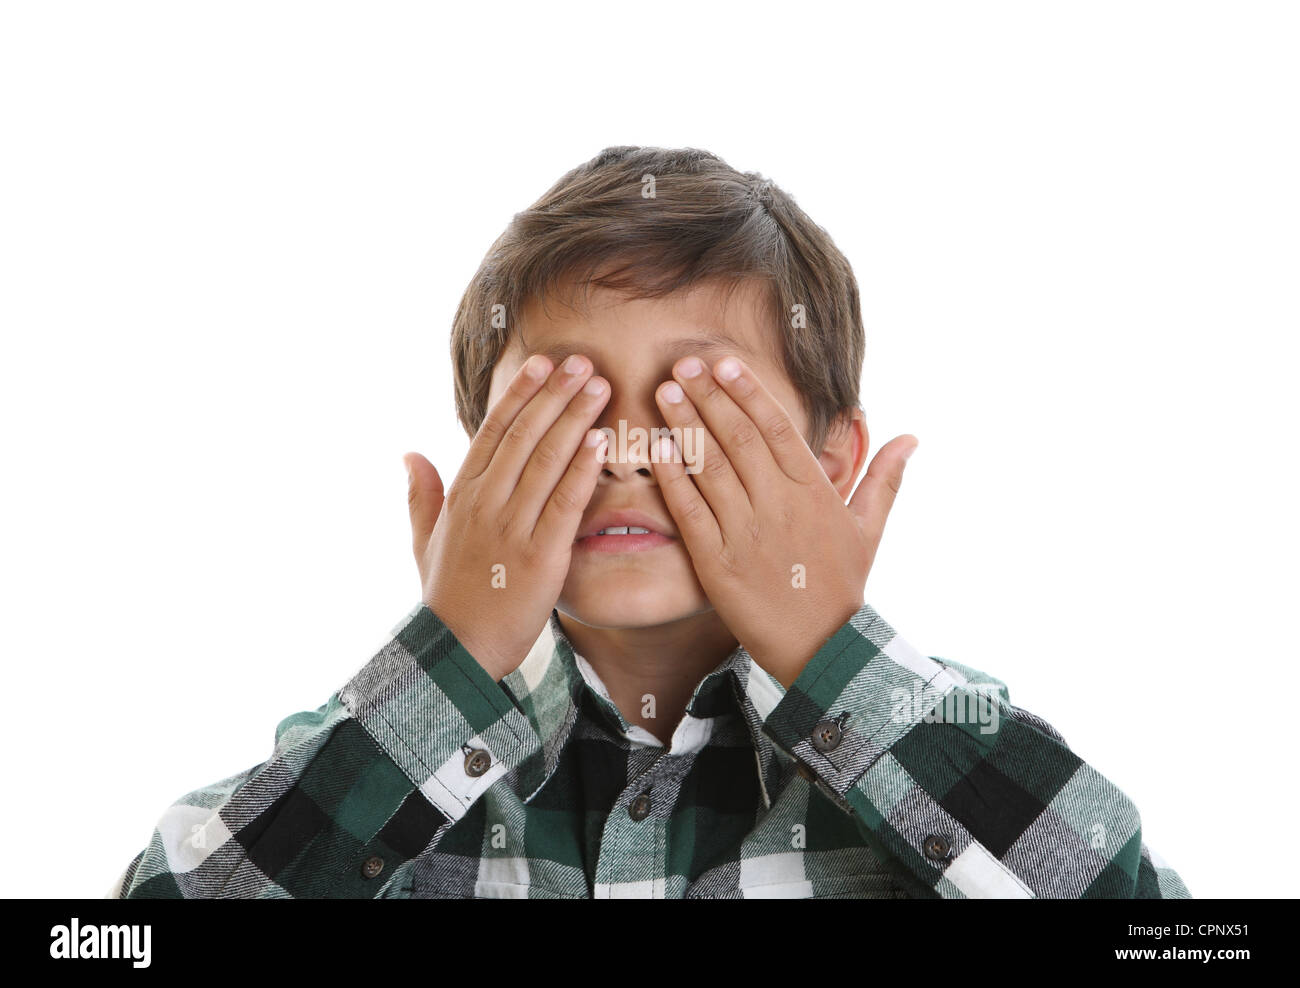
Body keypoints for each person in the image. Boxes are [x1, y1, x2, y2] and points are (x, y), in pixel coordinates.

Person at [111, 146, 1190, 898]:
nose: (627, 450)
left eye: (696, 403)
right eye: (562, 405)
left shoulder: (942, 747)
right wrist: (452, 655)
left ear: (827, 465)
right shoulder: (365, 778)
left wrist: (827, 649)